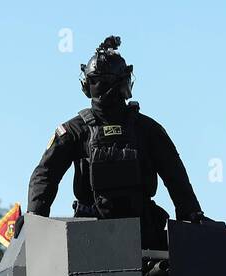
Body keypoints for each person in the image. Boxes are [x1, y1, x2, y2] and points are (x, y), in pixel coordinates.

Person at [26, 35, 205, 249]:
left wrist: (34, 216)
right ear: (123, 84)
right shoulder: (146, 129)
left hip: (90, 241)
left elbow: (45, 175)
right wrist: (191, 214)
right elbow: (175, 176)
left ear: (86, 84)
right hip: (139, 236)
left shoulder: (74, 131)